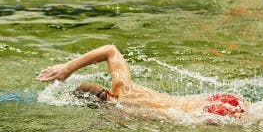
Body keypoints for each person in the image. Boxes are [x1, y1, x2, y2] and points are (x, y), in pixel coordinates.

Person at [37, 44, 247, 118]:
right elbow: (110, 49)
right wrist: (68, 68)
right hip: (215, 100)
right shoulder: (124, 87)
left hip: (208, 116)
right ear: (107, 91)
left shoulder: (122, 114)